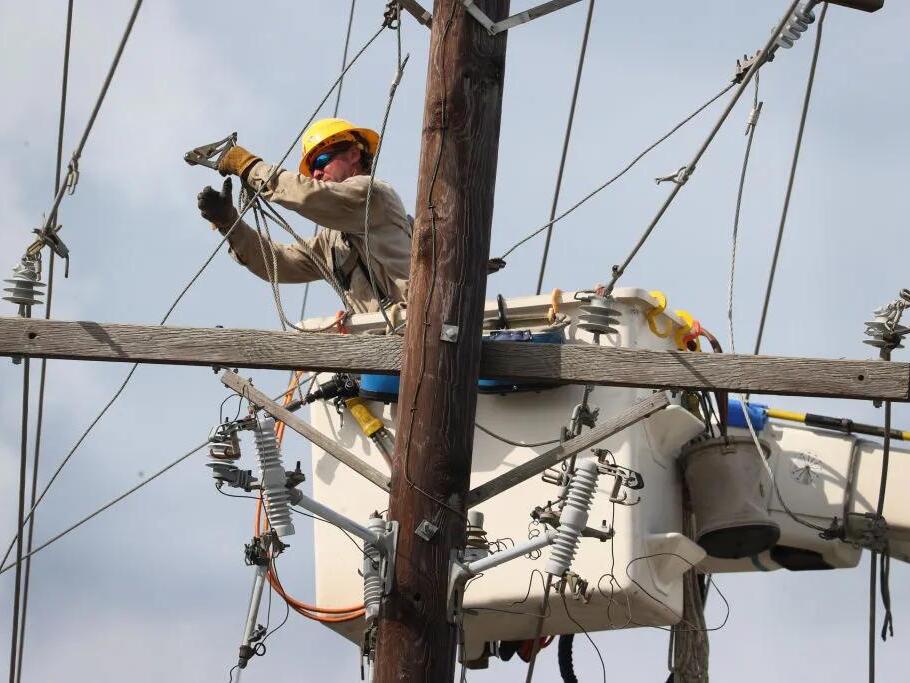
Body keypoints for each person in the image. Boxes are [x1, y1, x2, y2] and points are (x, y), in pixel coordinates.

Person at [197, 118, 412, 314]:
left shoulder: (372, 195)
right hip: (385, 344)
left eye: (321, 161)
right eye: (311, 171)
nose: (316, 173)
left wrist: (250, 167)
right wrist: (229, 224)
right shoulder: (333, 241)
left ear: (353, 154)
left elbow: (308, 195)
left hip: (416, 324)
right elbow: (278, 262)